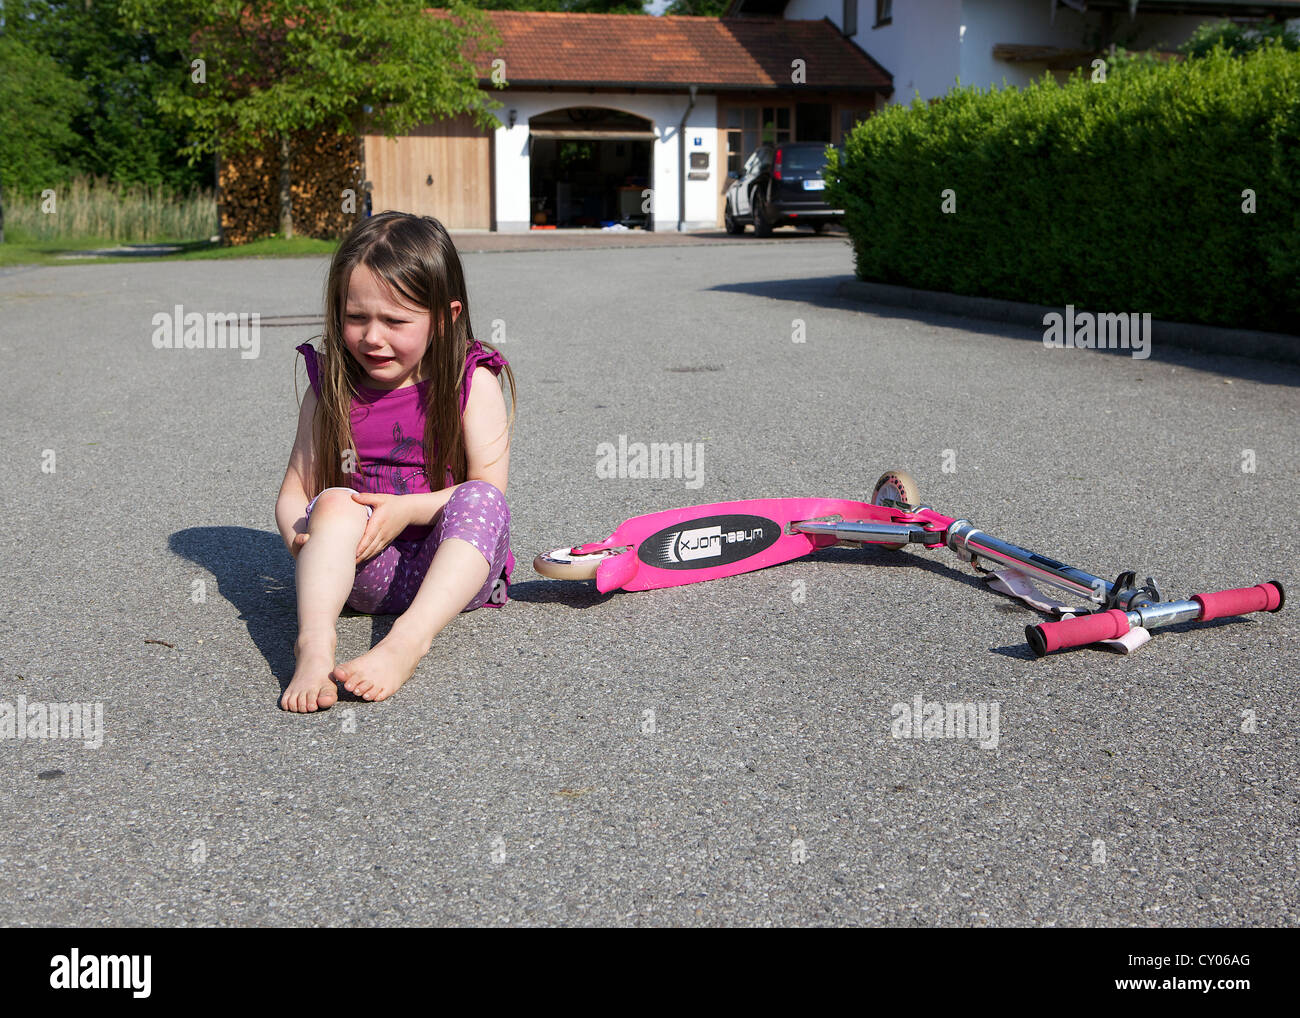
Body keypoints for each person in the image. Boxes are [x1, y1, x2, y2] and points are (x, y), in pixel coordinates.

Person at [274, 212, 516, 712]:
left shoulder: (470, 383)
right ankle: (315, 645)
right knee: (336, 502)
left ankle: (408, 640)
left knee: (481, 498)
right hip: (362, 573)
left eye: (396, 321)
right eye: (357, 317)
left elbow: (488, 492)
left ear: (446, 317)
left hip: (451, 573)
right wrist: (302, 537)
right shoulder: (332, 388)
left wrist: (407, 510)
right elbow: (295, 491)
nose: (372, 337)